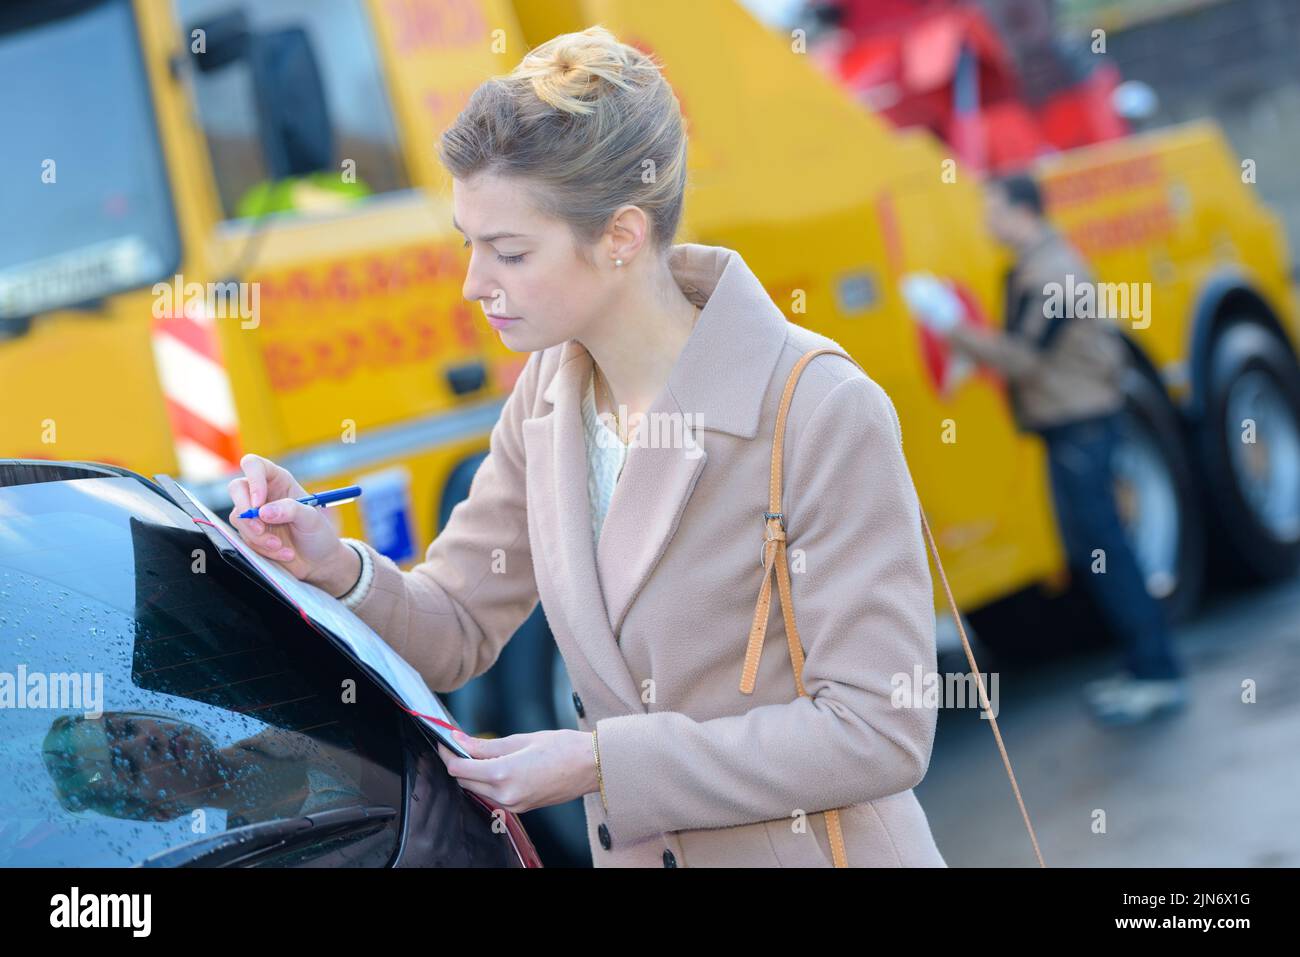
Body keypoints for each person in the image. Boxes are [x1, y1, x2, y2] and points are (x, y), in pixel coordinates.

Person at [226, 26, 946, 867]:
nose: (473, 283)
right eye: (469, 244)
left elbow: (879, 730)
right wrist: (338, 565)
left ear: (621, 235)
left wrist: (602, 761)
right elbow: (456, 624)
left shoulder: (819, 406)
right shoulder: (546, 395)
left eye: (510, 251)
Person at [927, 172, 1188, 726]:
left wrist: (951, 329)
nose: (985, 220)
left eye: (992, 208)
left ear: (1022, 211)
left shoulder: (1055, 273)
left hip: (1082, 428)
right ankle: (1143, 667)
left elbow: (1025, 358)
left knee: (1108, 550)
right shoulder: (1039, 266)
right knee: (1096, 552)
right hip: (1074, 428)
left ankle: (1159, 674)